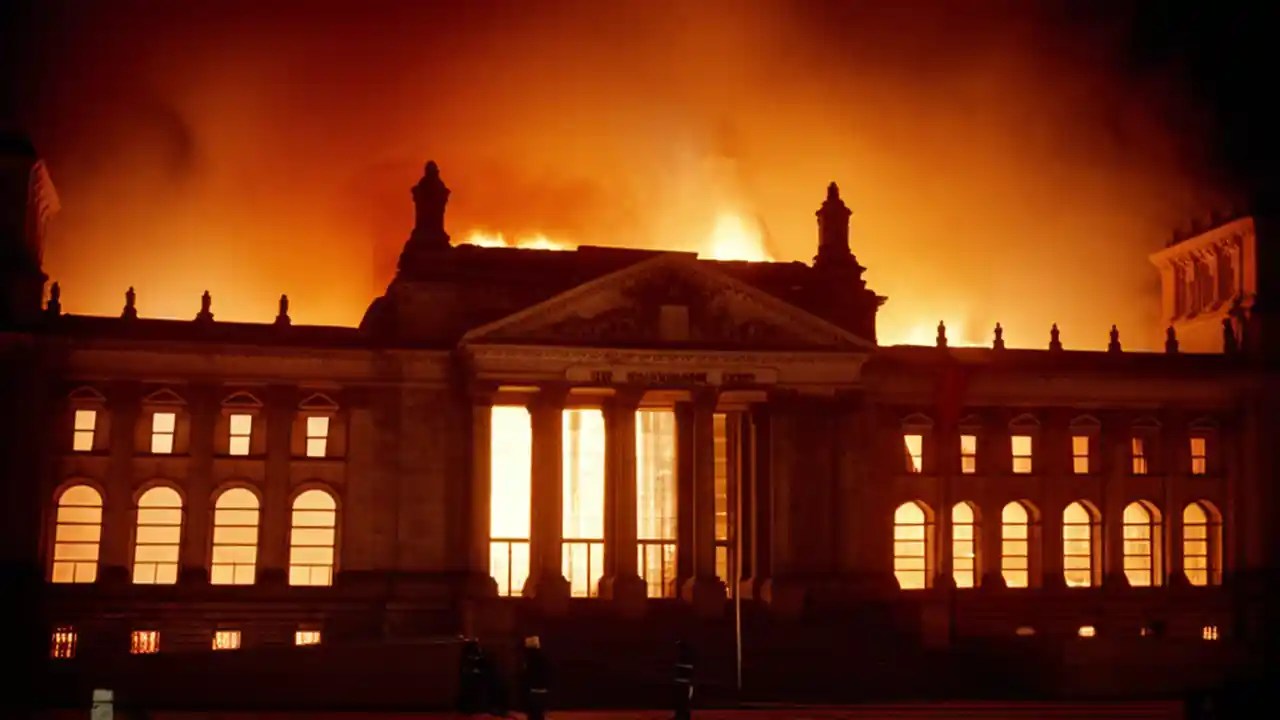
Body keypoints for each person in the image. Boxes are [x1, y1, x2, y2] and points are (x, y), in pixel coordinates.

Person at [522, 636, 549, 720]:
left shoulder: (530, 661)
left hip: (533, 691)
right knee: (539, 714)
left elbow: (527, 676)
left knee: (533, 714)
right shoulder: (544, 659)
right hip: (543, 690)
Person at [458, 638, 483, 715]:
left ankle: (470, 707)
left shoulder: (468, 655)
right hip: (470, 676)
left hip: (470, 676)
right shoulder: (470, 655)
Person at [673, 640, 694, 720]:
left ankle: (682, 716)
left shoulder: (684, 658)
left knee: (682, 701)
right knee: (683, 702)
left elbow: (684, 671)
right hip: (684, 684)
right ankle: (682, 716)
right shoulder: (686, 658)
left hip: (683, 684)